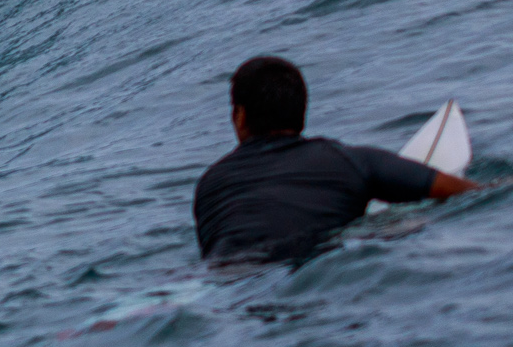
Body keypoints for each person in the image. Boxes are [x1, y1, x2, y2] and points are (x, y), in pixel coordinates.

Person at [193, 55, 474, 262]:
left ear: (240, 116)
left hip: (225, 279)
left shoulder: (209, 186)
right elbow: (459, 191)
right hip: (312, 266)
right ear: (302, 112)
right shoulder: (347, 162)